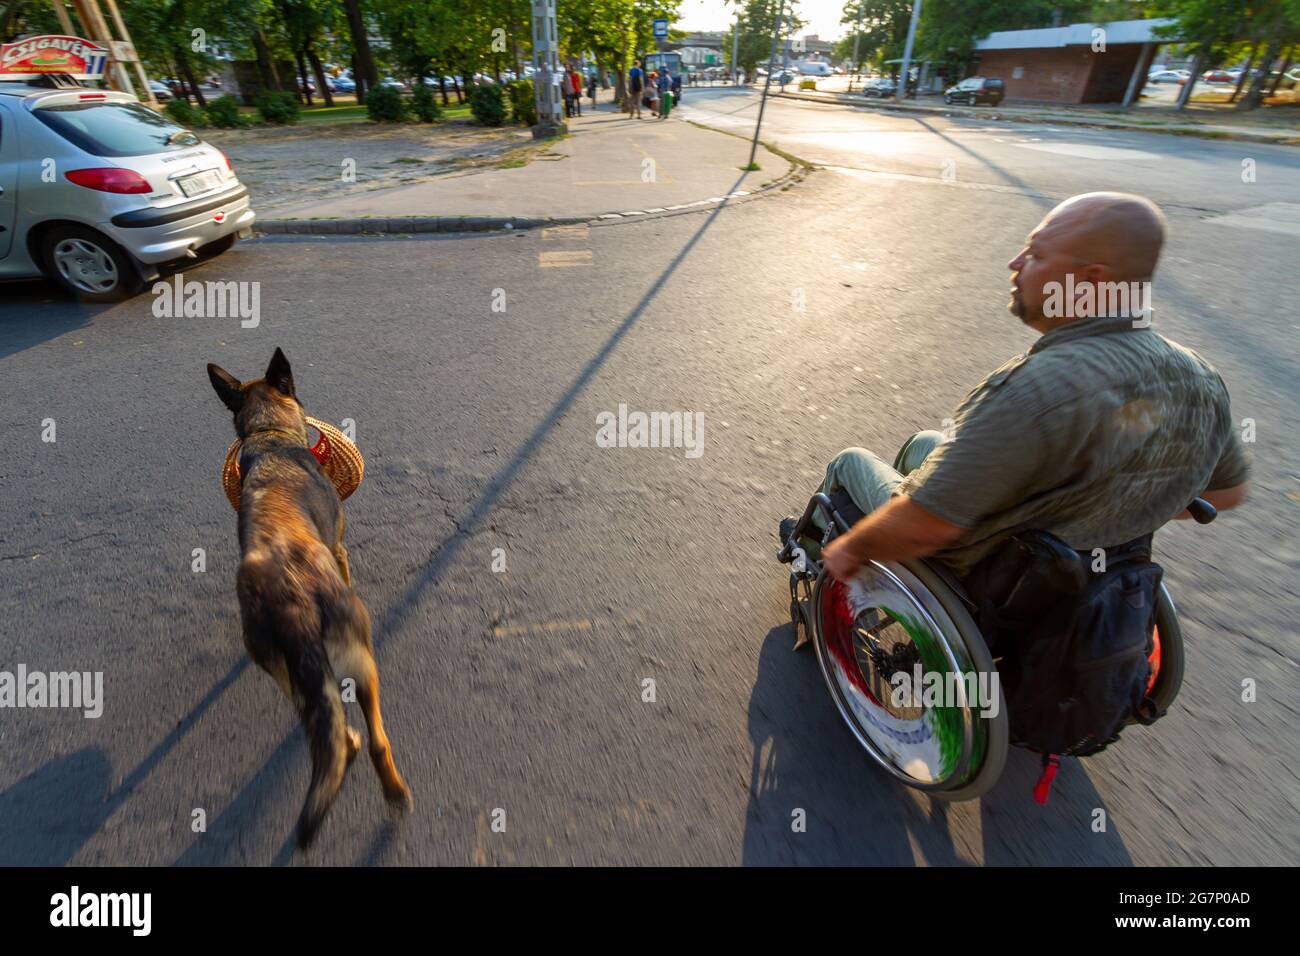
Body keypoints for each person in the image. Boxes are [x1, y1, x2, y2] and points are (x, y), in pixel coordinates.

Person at [781, 192, 1250, 585]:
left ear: (1090, 281)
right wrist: (1115, 509)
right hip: (1086, 563)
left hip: (995, 563)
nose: (1015, 262)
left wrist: (853, 548)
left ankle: (811, 559)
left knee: (850, 461)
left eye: (1037, 254)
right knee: (925, 443)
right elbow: (1227, 493)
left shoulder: (1040, 390)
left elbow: (926, 527)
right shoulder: (1199, 375)